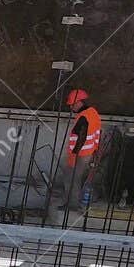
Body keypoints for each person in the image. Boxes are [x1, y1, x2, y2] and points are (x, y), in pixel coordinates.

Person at [51, 88, 101, 226]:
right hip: (88, 152)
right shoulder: (93, 113)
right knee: (75, 178)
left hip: (80, 154)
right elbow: (96, 134)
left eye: (72, 105)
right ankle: (72, 203)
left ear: (79, 102)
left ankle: (72, 205)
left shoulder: (84, 116)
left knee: (72, 178)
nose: (71, 107)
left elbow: (82, 137)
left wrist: (74, 154)